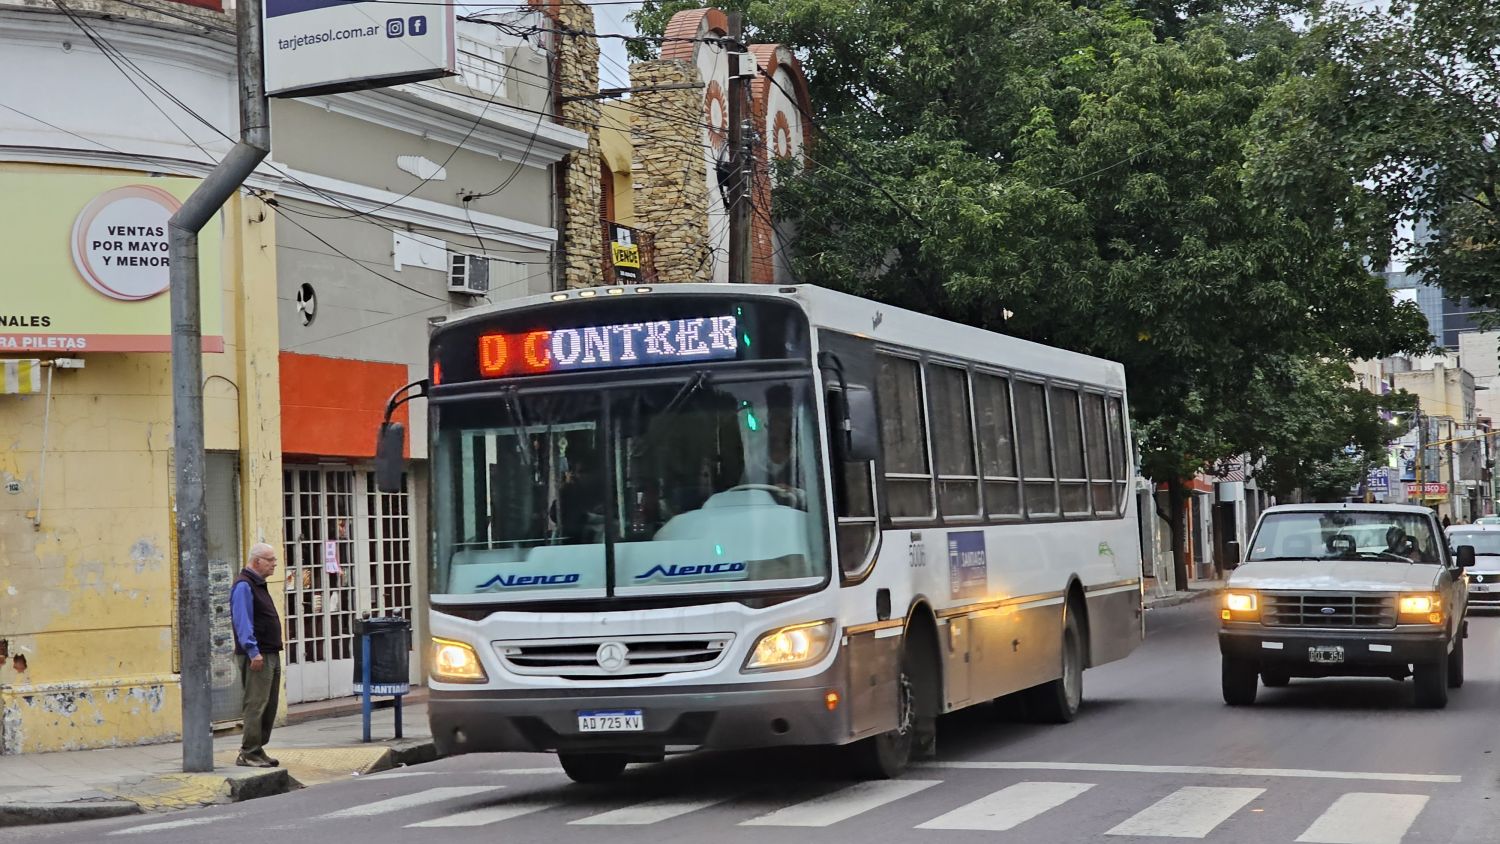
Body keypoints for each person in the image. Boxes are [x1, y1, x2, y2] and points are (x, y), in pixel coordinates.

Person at [230, 543, 283, 768]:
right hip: (257, 655)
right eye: (270, 560)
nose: (274, 564)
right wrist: (253, 652)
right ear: (257, 561)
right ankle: (248, 752)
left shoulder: (259, 584)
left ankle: (258, 749)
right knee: (256, 704)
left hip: (269, 652)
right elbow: (243, 622)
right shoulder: (244, 585)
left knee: (268, 704)